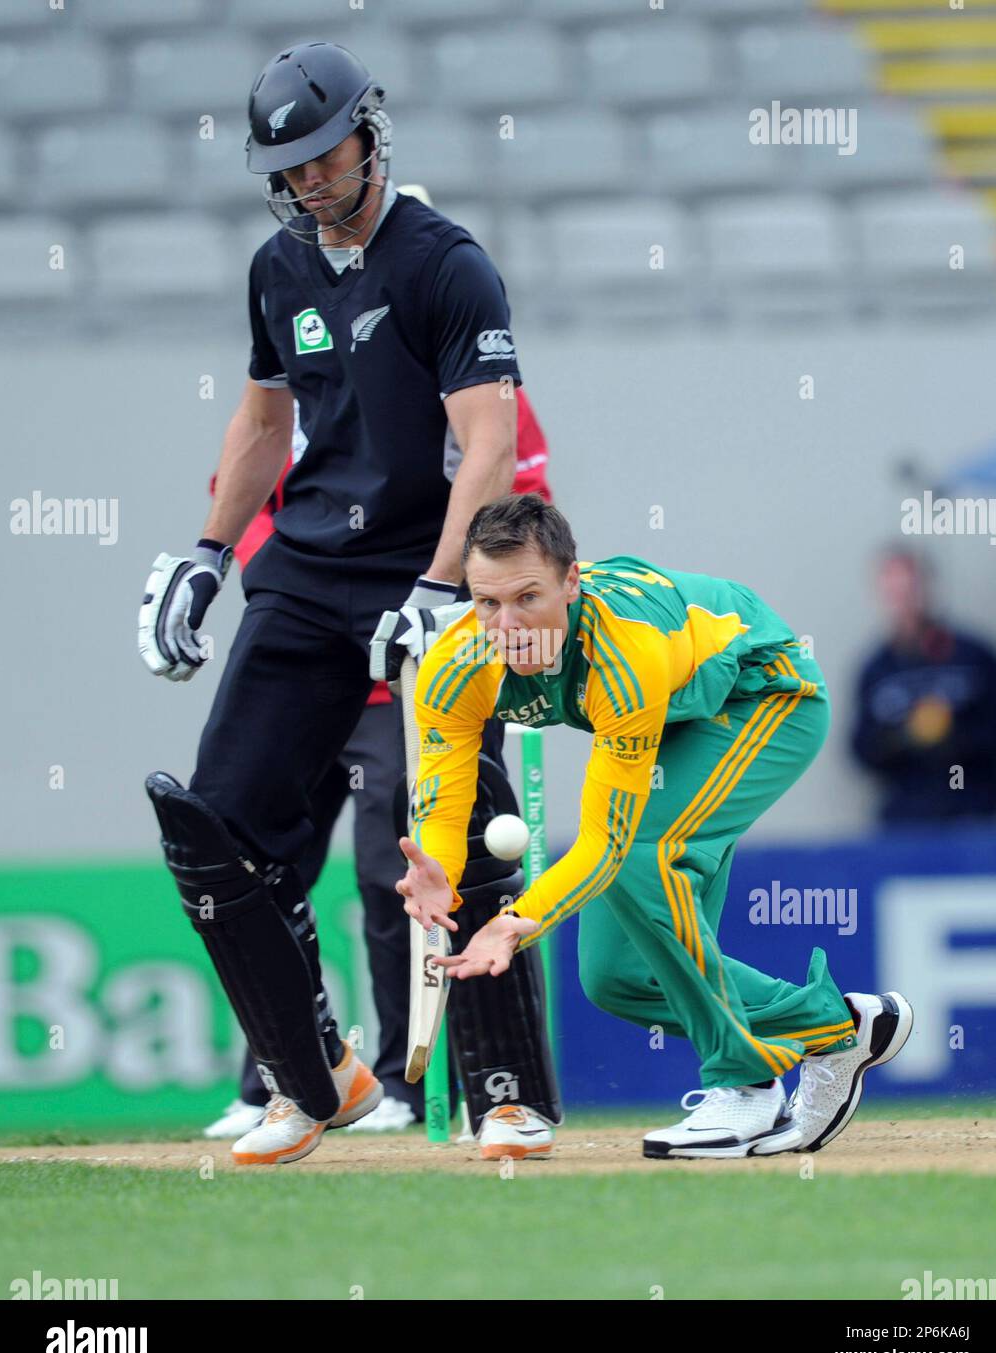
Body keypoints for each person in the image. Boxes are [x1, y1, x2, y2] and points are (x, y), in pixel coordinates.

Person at [139, 41, 523, 1167]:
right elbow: (263, 424)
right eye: (290, 167)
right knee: (220, 827)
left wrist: (443, 585)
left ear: (370, 132)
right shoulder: (277, 267)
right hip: (304, 572)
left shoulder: (445, 260)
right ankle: (314, 1078)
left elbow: (489, 439)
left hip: (421, 566)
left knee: (462, 825)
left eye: (325, 154)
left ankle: (502, 1091)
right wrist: (208, 554)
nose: (310, 181)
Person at [394, 495, 915, 1159]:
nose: (507, 624)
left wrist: (518, 917)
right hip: (675, 728)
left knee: (643, 854)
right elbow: (442, 803)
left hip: (766, 696)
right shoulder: (456, 662)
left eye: (528, 597)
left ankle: (747, 1085)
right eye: (487, 602)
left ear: (571, 582)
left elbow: (607, 844)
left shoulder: (623, 654)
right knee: (615, 977)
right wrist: (439, 870)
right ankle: (841, 1026)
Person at [205, 371, 555, 1142]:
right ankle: (282, 1077)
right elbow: (248, 495)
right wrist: (290, 601)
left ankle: (408, 1078)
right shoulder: (304, 377)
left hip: (412, 677)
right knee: (258, 862)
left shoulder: (467, 371)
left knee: (395, 871)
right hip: (308, 666)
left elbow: (523, 499)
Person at [851, 548, 996, 824]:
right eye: (895, 592)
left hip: (976, 814)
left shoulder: (975, 655)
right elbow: (861, 749)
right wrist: (904, 738)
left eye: (910, 589)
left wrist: (956, 736)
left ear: (927, 587)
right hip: (905, 820)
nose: (904, 601)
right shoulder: (876, 669)